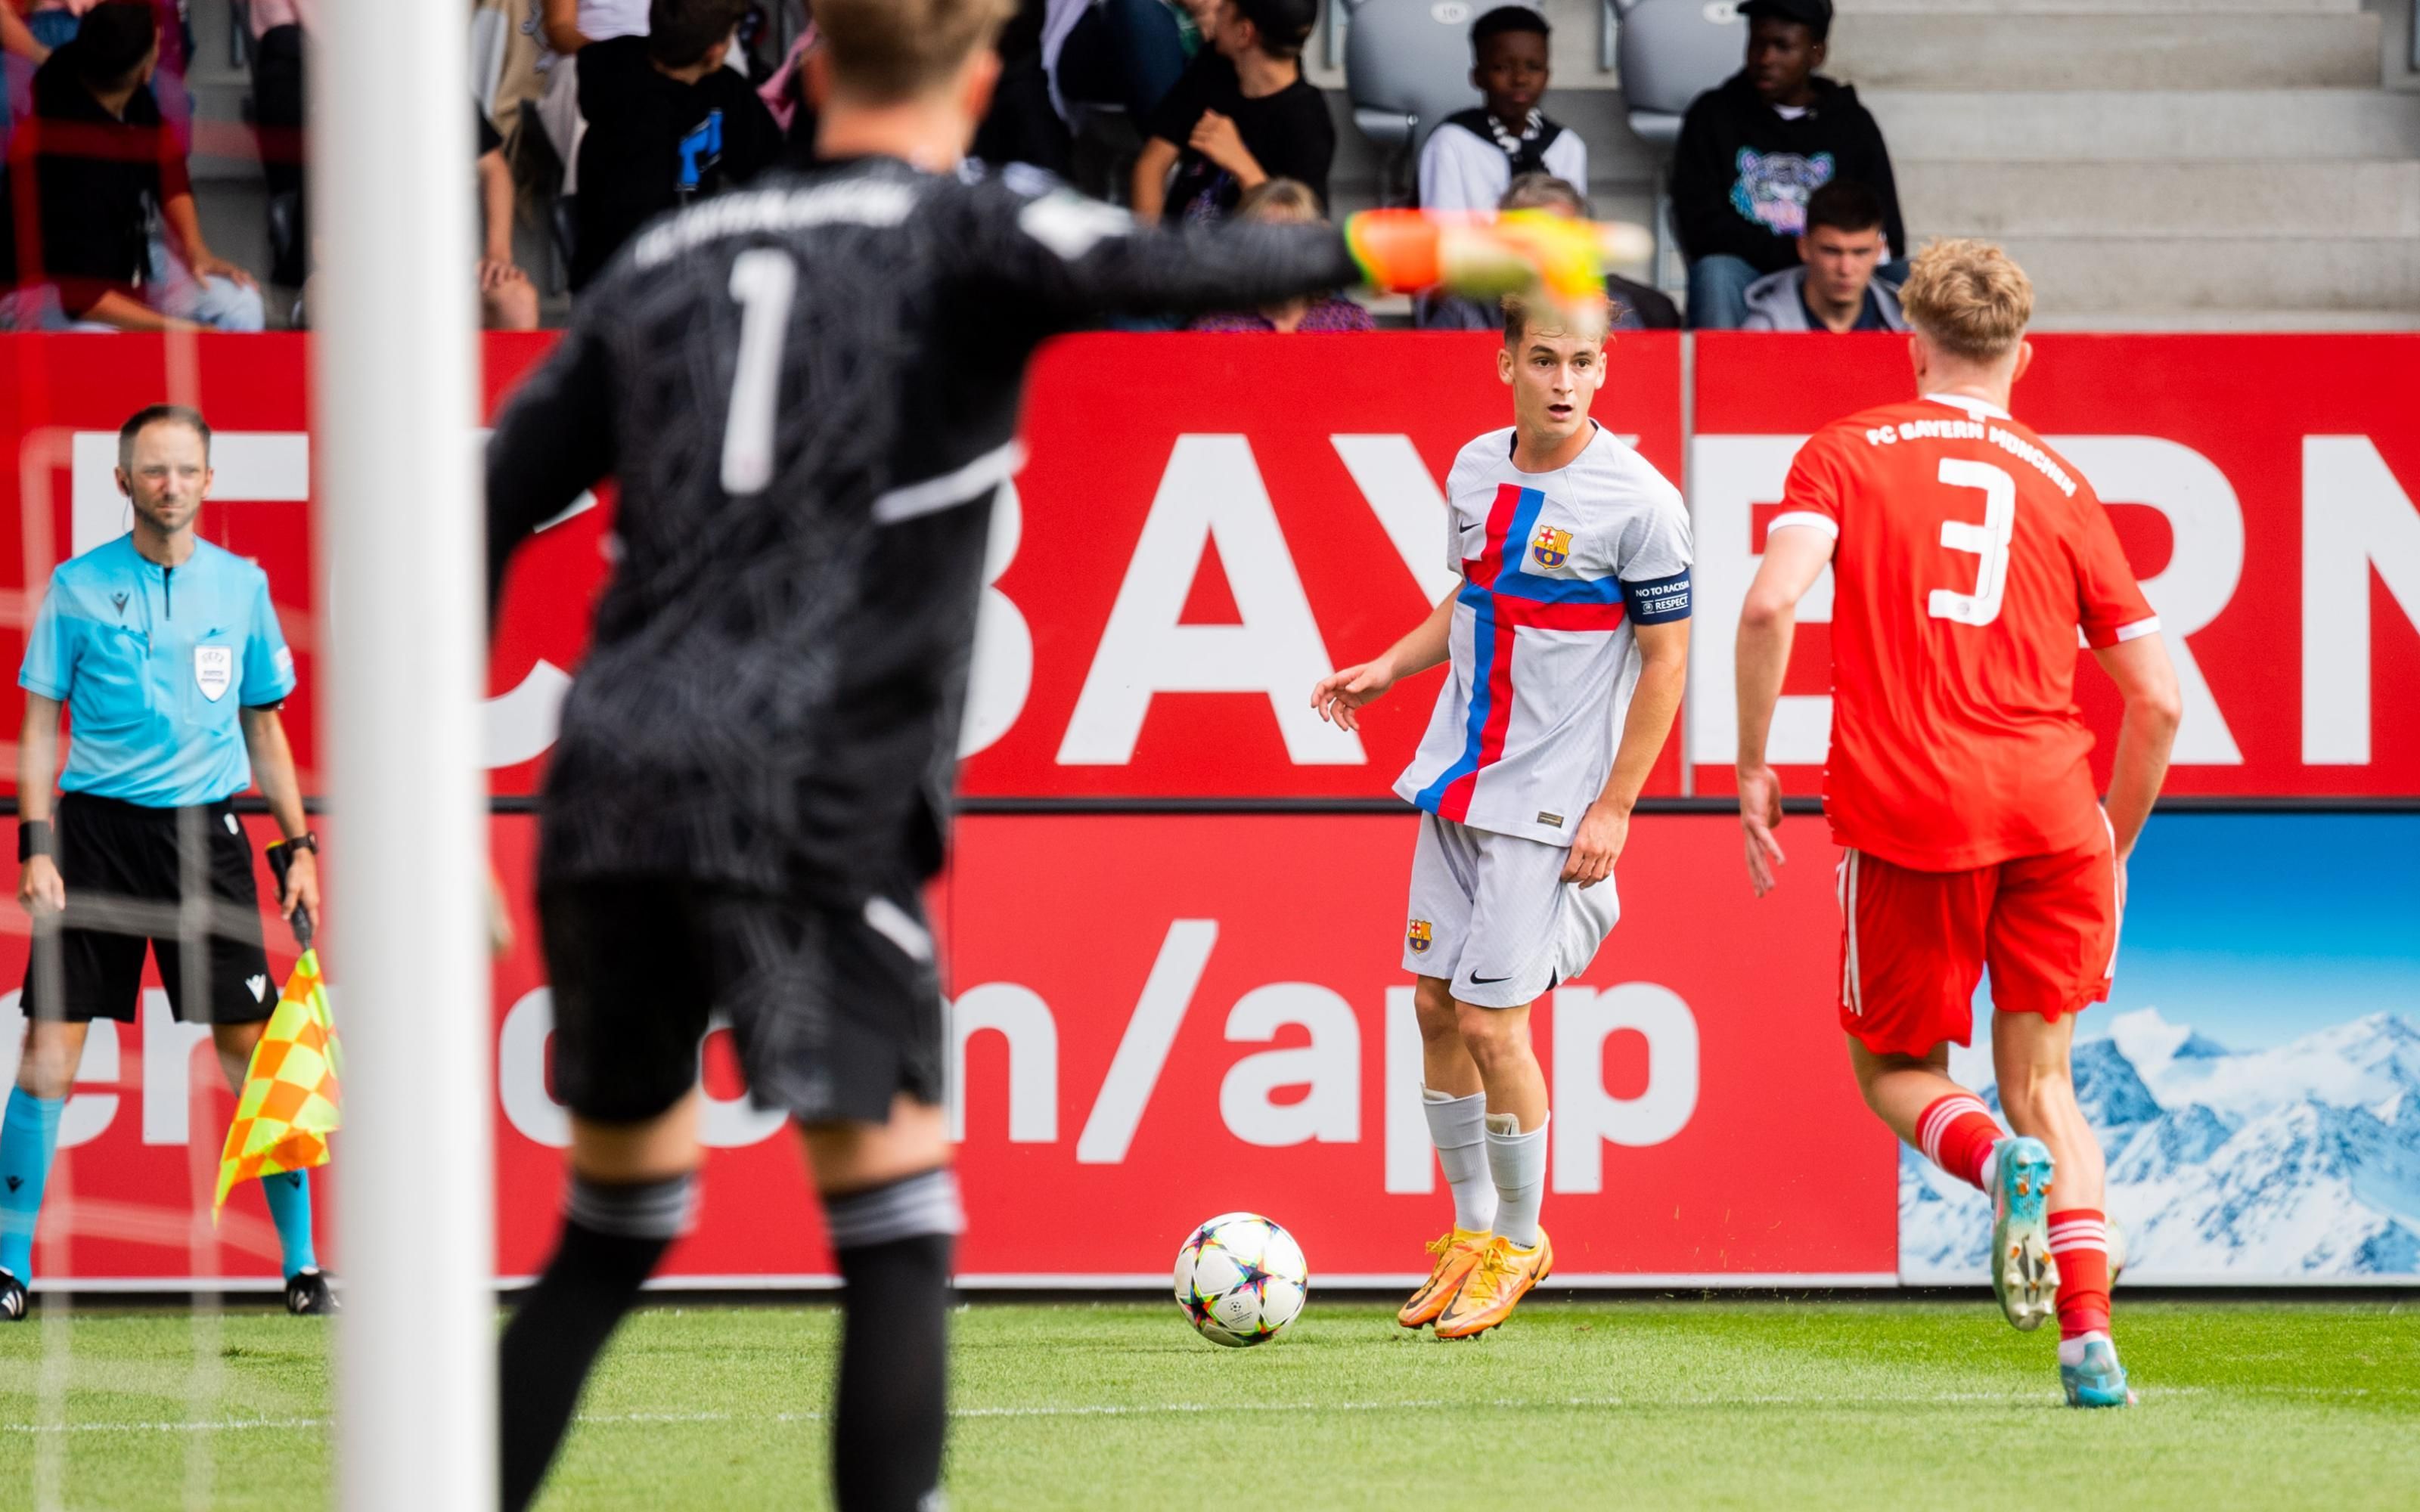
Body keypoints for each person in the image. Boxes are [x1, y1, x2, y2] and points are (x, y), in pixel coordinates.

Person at [482, 0, 1613, 1503]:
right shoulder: (969, 232)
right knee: (892, 1223)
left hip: (608, 789)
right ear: (978, 75)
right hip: (809, 790)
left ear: (806, 72)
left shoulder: (666, 262)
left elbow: (478, 505)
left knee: (612, 1230)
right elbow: (1209, 260)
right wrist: (1459, 250)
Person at [1733, 239, 2182, 1408]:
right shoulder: (2068, 486)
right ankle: (2088, 1340)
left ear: (1914, 344)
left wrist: (1751, 765)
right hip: (2051, 806)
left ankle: (1993, 1167)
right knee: (2048, 1081)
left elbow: (1773, 600)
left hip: (1909, 802)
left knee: (1892, 1068)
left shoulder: (1844, 451)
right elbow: (2160, 700)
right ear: (2022, 357)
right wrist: (2112, 842)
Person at [1311, 293, 1692, 1340]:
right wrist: (1391, 663)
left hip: (1550, 803)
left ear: (1607, 370)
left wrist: (1616, 805)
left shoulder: (1643, 504)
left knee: (1491, 1023)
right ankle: (1473, 1227)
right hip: (1457, 779)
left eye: (1582, 363)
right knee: (1433, 1009)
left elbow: (1668, 663)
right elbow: (1471, 597)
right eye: (1544, 360)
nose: (1564, 382)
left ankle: (1524, 1236)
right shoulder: (1477, 467)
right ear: (1505, 363)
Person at [2, 406, 328, 1324]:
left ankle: (302, 1267)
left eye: (186, 470)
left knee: (251, 1054)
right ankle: (7, 1269)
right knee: (50, 1053)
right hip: (96, 838)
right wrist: (36, 844)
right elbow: (36, 727)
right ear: (123, 482)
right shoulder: (73, 587)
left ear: (209, 481)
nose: (170, 485)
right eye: (153, 471)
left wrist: (297, 849)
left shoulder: (244, 586)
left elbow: (264, 726)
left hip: (207, 838)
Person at [0, 3, 263, 332]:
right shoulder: (70, 153)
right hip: (46, 294)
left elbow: (168, 169)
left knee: (241, 304)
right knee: (104, 344)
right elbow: (82, 298)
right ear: (146, 68)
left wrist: (198, 251)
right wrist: (179, 330)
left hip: (127, 264)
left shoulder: (115, 86)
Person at [1672, 0, 1903, 330]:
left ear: (1816, 53)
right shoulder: (1713, 116)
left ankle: (1918, 379)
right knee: (1716, 273)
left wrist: (1826, 256)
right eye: (1758, 43)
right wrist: (1795, 252)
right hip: (1749, 271)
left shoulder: (1851, 124)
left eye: (1783, 47)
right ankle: (1723, 381)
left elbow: (1888, 232)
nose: (1766, 59)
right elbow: (1701, 230)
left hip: (1832, 268)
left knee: (1909, 276)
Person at [568, 0, 783, 292]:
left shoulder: (612, 68)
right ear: (716, 50)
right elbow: (774, 174)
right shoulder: (720, 94)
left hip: (614, 273)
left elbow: (769, 165)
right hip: (632, 276)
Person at [1131, 0, 1330, 225]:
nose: (1215, 8)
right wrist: (1149, 249)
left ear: (1244, 33)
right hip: (1177, 250)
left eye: (1225, 6)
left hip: (1244, 258)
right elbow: (1151, 165)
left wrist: (1242, 166)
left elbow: (1312, 235)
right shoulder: (1216, 66)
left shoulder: (1306, 118)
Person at [1416, 174, 1677, 333]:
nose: (1546, 253)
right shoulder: (1463, 306)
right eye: (1532, 236)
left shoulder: (1609, 308)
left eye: (1559, 238)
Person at [1417, 6, 1584, 216]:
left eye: (1533, 67)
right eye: (1503, 68)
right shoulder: (1451, 143)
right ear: (1478, 76)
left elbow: (1576, 232)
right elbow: (1442, 236)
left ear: (1548, 74)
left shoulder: (1567, 145)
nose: (1520, 79)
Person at [1189, 178, 1373, 331]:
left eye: (1296, 235)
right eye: (1266, 237)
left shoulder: (1350, 323)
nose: (1282, 252)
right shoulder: (1215, 328)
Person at [1740, 178, 1903, 333]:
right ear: (1804, 248)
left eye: (1861, 252)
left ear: (1879, 251)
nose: (1845, 269)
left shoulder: (1911, 328)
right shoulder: (1762, 332)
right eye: (1831, 251)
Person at [476, 106, 540, 330]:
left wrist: (498, 254)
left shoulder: (433, 92)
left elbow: (493, 167)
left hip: (436, 267)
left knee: (517, 300)